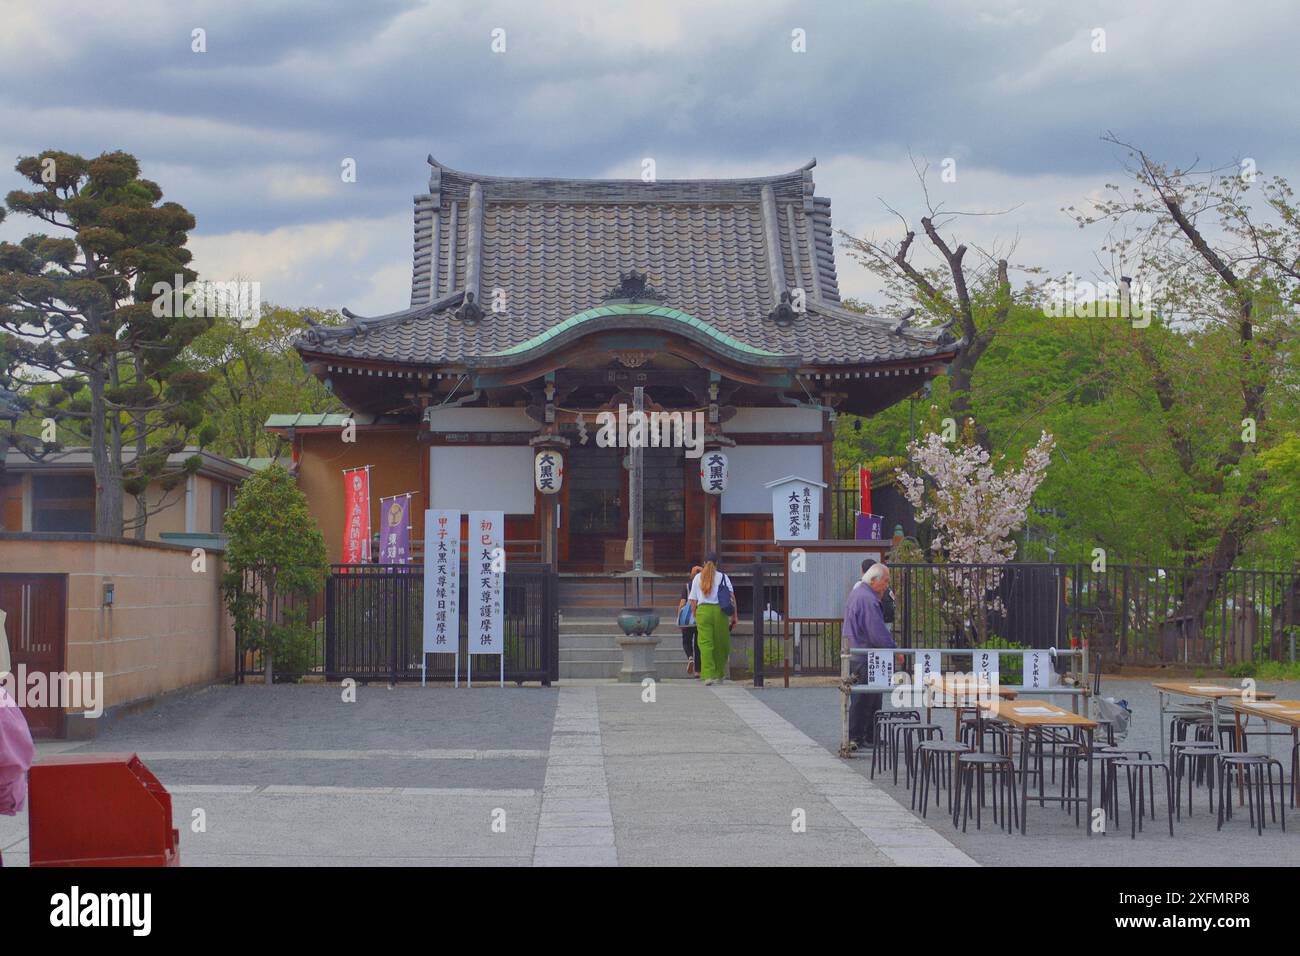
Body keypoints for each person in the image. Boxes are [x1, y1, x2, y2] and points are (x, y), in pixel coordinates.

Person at [844, 560, 896, 750]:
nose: (887, 585)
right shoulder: (867, 598)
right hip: (864, 654)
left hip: (861, 653)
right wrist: (894, 650)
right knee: (864, 698)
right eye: (886, 581)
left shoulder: (861, 593)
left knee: (868, 697)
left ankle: (864, 735)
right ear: (874, 579)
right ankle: (857, 736)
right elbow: (877, 632)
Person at [688, 554, 738, 686]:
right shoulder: (723, 577)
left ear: (704, 563)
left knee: (705, 644)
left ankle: (708, 675)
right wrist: (734, 616)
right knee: (721, 644)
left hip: (703, 611)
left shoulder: (698, 578)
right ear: (717, 563)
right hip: (720, 612)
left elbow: (693, 600)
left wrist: (695, 615)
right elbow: (732, 597)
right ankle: (720, 673)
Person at [677, 565, 703, 677]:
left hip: (688, 619)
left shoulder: (687, 586)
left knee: (686, 641)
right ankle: (698, 671)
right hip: (699, 617)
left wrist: (679, 617)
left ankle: (690, 657)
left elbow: (682, 603)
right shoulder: (703, 586)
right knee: (698, 644)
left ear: (691, 575)